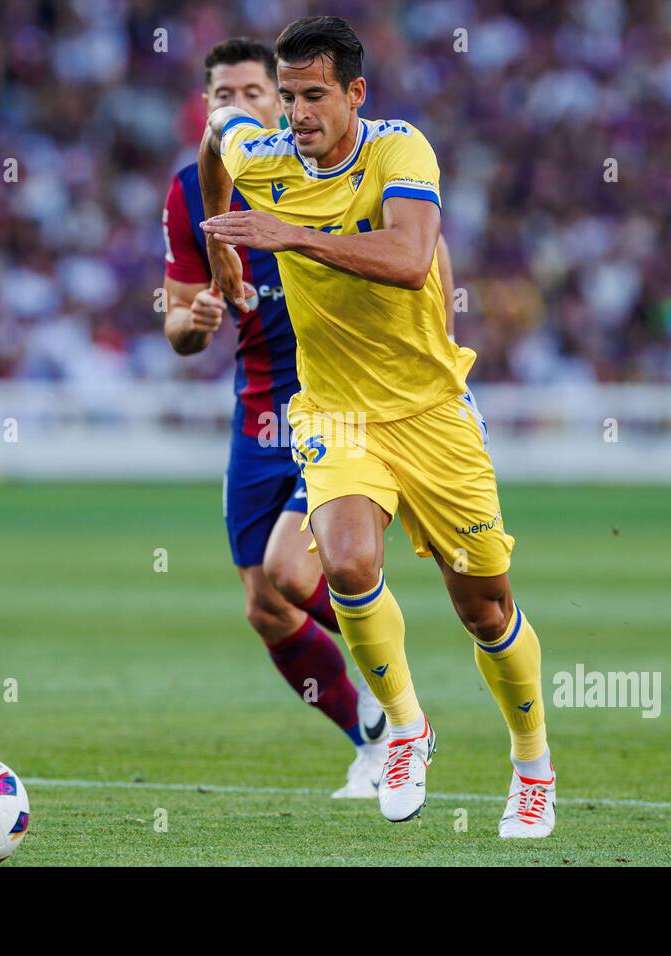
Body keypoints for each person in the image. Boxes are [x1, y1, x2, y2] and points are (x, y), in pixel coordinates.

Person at [198, 16, 555, 837]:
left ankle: (532, 764)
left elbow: (406, 260)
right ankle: (405, 726)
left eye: (314, 95)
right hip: (335, 412)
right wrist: (221, 246)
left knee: (485, 610)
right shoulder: (268, 153)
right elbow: (219, 135)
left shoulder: (401, 150)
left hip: (432, 411)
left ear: (356, 92)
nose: (297, 113)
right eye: (287, 96)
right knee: (349, 560)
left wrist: (289, 234)